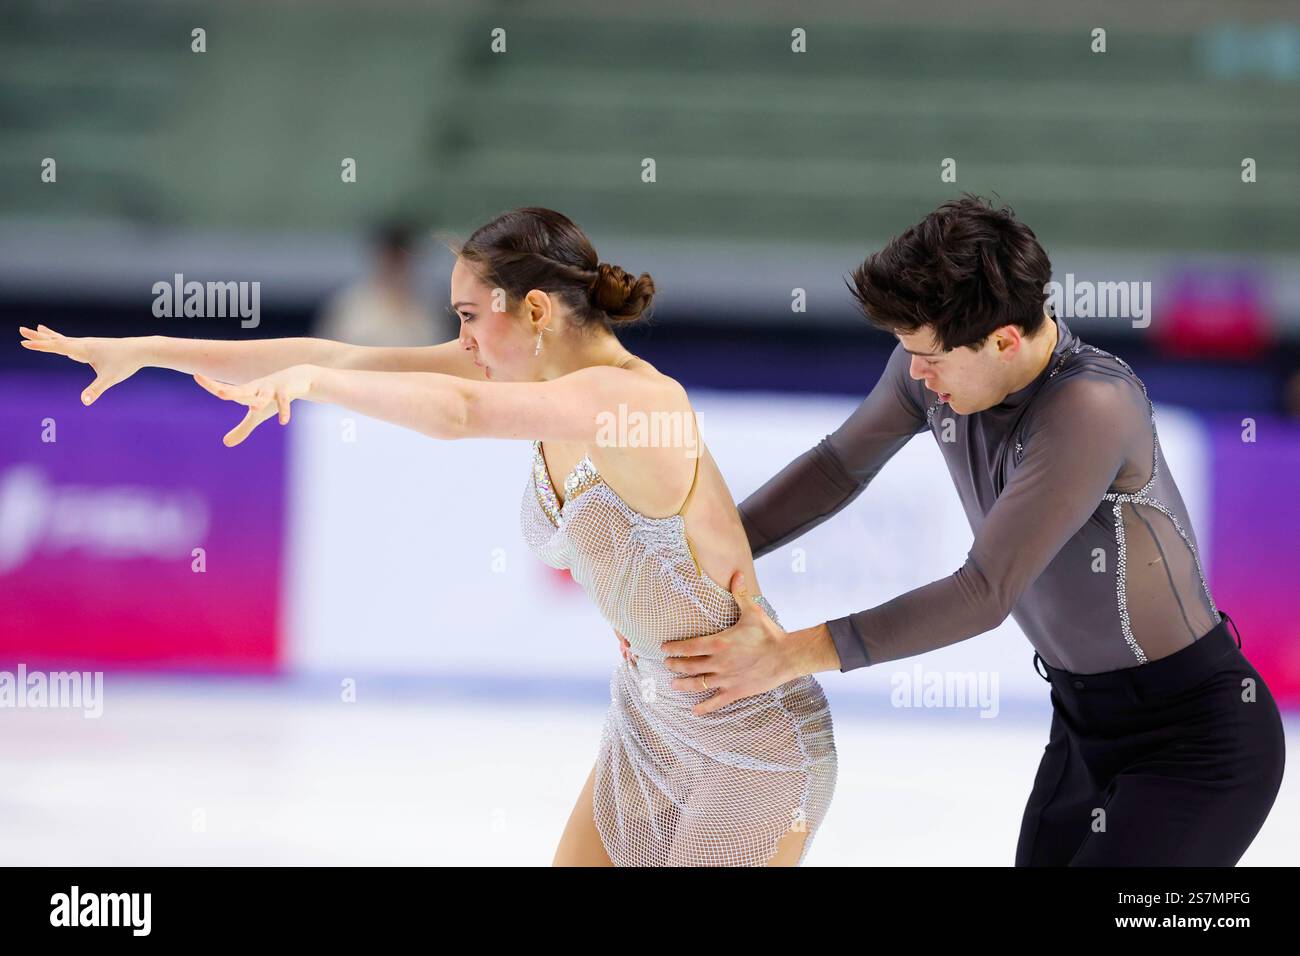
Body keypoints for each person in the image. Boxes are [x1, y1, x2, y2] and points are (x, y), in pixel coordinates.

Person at [18, 207, 837, 868]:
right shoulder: (518, 373)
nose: (465, 340)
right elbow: (335, 351)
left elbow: (460, 416)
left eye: (472, 317)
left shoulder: (638, 405)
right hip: (650, 718)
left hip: (750, 737)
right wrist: (146, 350)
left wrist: (312, 388)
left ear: (538, 311)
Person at [651, 195, 1285, 866]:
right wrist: (698, 554)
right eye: (908, 353)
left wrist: (789, 654)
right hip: (1081, 730)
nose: (917, 375)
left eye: (930, 358)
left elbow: (984, 591)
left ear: (1006, 340)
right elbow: (838, 467)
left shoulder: (1090, 404)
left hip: (1196, 742)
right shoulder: (932, 366)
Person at [312, 223, 448, 347]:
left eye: (402, 259)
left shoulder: (432, 306)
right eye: (391, 258)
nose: (396, 267)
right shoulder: (349, 305)